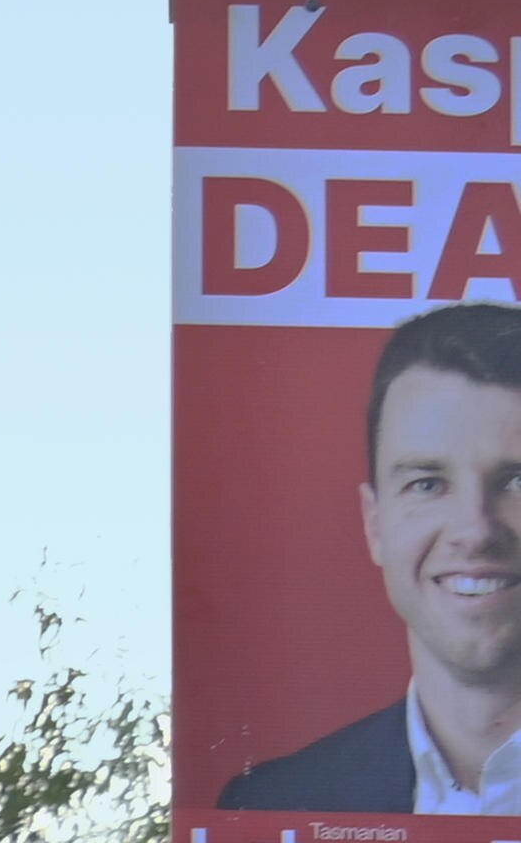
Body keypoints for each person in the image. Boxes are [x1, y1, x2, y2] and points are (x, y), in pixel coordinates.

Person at [220, 304, 521, 808]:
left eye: (517, 482)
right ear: (374, 524)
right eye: (427, 483)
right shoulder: (272, 807)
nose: (475, 530)